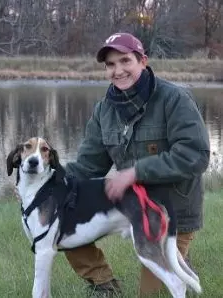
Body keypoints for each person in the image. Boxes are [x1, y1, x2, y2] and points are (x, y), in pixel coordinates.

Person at [64, 32, 210, 297]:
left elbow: (195, 155)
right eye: (110, 64)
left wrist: (136, 173)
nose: (118, 70)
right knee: (63, 223)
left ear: (143, 61)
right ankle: (104, 286)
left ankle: (177, 260)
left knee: (150, 293)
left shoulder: (175, 99)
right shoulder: (104, 110)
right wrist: (44, 181)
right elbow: (87, 167)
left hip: (172, 211)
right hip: (129, 206)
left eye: (125, 61)